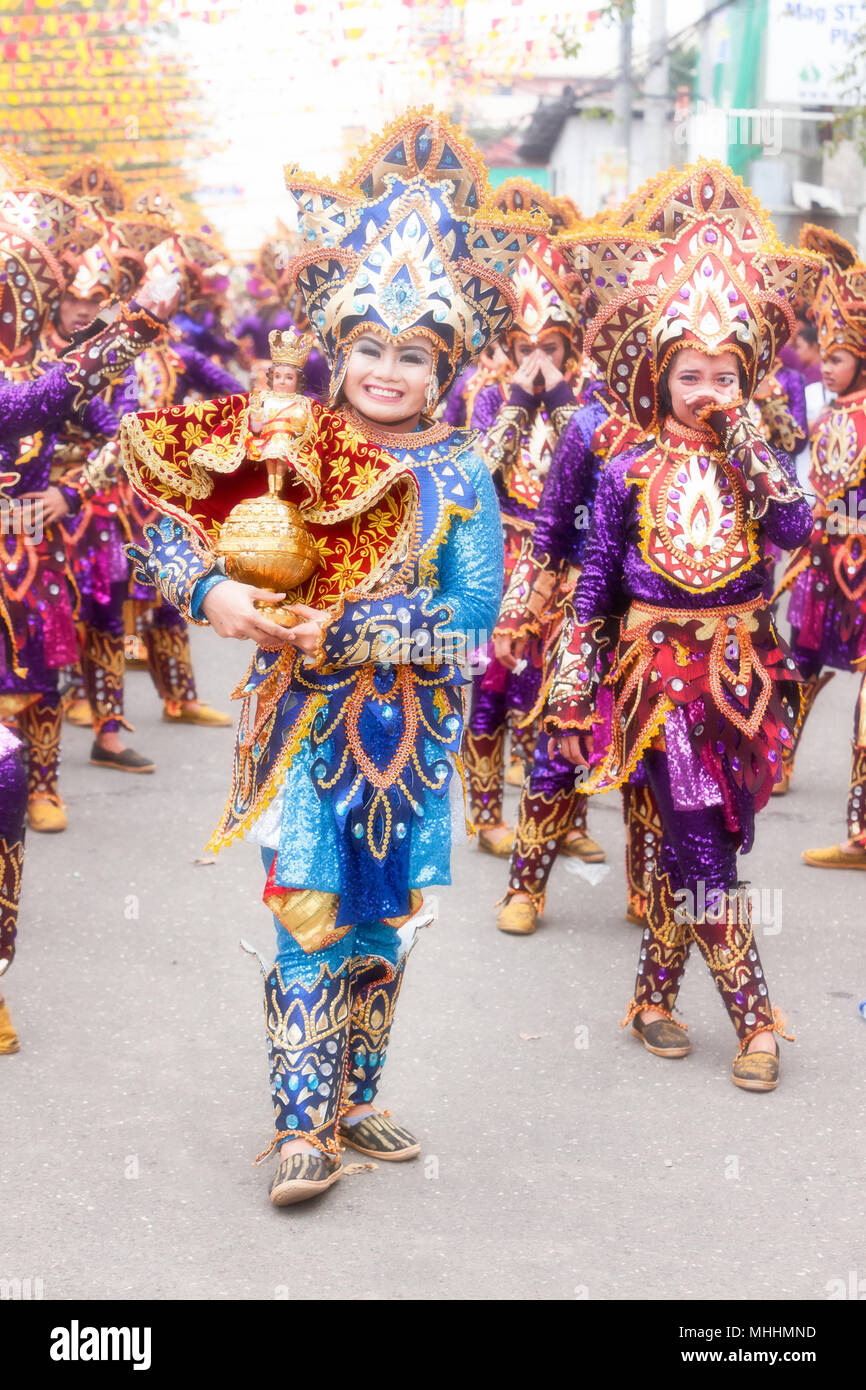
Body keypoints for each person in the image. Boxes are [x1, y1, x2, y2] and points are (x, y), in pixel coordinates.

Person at [120, 110, 538, 1206]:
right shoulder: (282, 440)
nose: (386, 370)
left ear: (440, 362)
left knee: (386, 924)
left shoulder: (461, 472)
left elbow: (472, 620)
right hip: (307, 731)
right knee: (305, 907)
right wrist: (212, 594)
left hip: (411, 742)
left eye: (410, 353)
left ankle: (357, 1097)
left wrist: (350, 628)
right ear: (336, 346)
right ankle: (301, 1126)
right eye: (368, 347)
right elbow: (160, 522)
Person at [547, 162, 820, 1091]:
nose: (707, 388)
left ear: (747, 379)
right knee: (699, 840)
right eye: (690, 373)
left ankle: (654, 996)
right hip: (658, 676)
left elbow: (793, 527)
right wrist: (576, 667)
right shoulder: (625, 470)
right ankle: (754, 1023)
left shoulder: (758, 458)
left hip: (744, 676)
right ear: (656, 376)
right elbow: (595, 578)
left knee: (708, 837)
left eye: (725, 374)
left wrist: (746, 441)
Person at [0, 171, 180, 830]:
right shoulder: (34, 379)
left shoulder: (30, 370)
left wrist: (70, 491)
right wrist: (133, 328)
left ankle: (46, 782)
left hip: (37, 538)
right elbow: (44, 402)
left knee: (45, 666)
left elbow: (114, 429)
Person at [466, 229, 604, 865]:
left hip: (569, 562)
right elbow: (477, 475)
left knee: (568, 689)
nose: (537, 361)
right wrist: (521, 402)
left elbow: (605, 472)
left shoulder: (590, 402)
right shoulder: (490, 395)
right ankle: (485, 812)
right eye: (525, 349)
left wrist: (565, 402)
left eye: (550, 349)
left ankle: (568, 818)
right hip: (505, 555)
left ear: (571, 346)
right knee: (492, 683)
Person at [775, 226, 866, 865]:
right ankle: (778, 762)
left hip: (856, 562)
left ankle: (861, 829)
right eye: (825, 357)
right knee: (803, 665)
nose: (824, 367)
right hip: (823, 562)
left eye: (837, 357)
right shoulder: (832, 411)